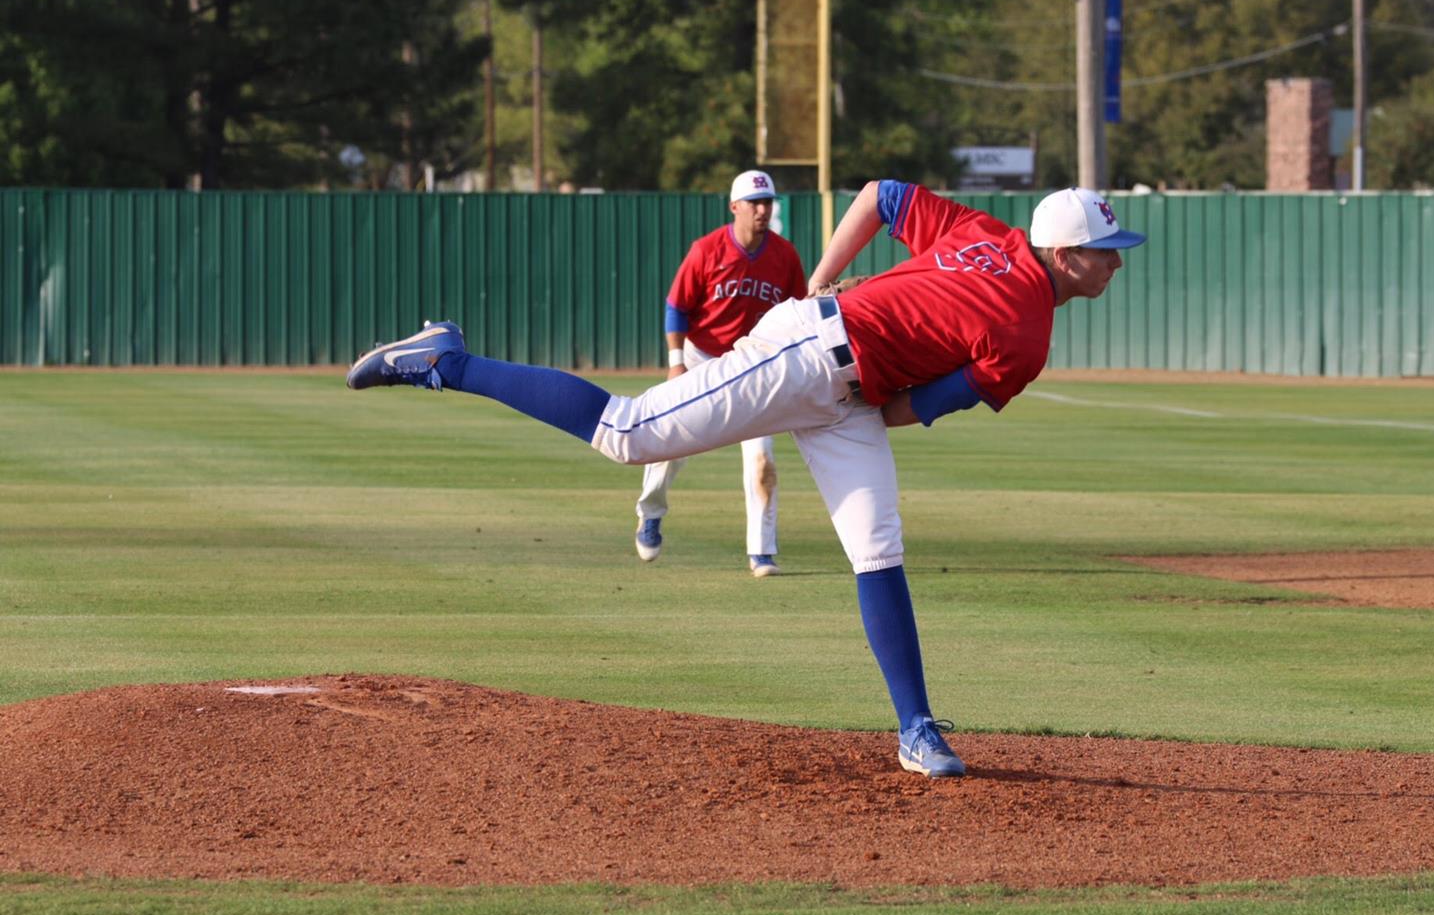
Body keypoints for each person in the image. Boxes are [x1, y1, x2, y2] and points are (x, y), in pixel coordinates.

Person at [346, 180, 1146, 778]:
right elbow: (915, 409)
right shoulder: (1028, 335)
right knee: (628, 433)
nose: (1116, 262)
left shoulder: (985, 231)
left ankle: (916, 729)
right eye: (1107, 251)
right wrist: (821, 301)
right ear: (1065, 255)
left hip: (845, 388)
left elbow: (883, 196)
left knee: (877, 547)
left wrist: (829, 275)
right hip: (809, 355)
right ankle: (448, 358)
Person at [636, 169, 807, 577]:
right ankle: (651, 513)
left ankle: (761, 552)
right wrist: (676, 361)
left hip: (753, 364)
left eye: (768, 202)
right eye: (754, 202)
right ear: (735, 207)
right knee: (668, 445)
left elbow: (797, 310)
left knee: (762, 461)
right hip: (700, 357)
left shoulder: (785, 255)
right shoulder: (707, 249)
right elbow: (677, 306)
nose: (763, 209)